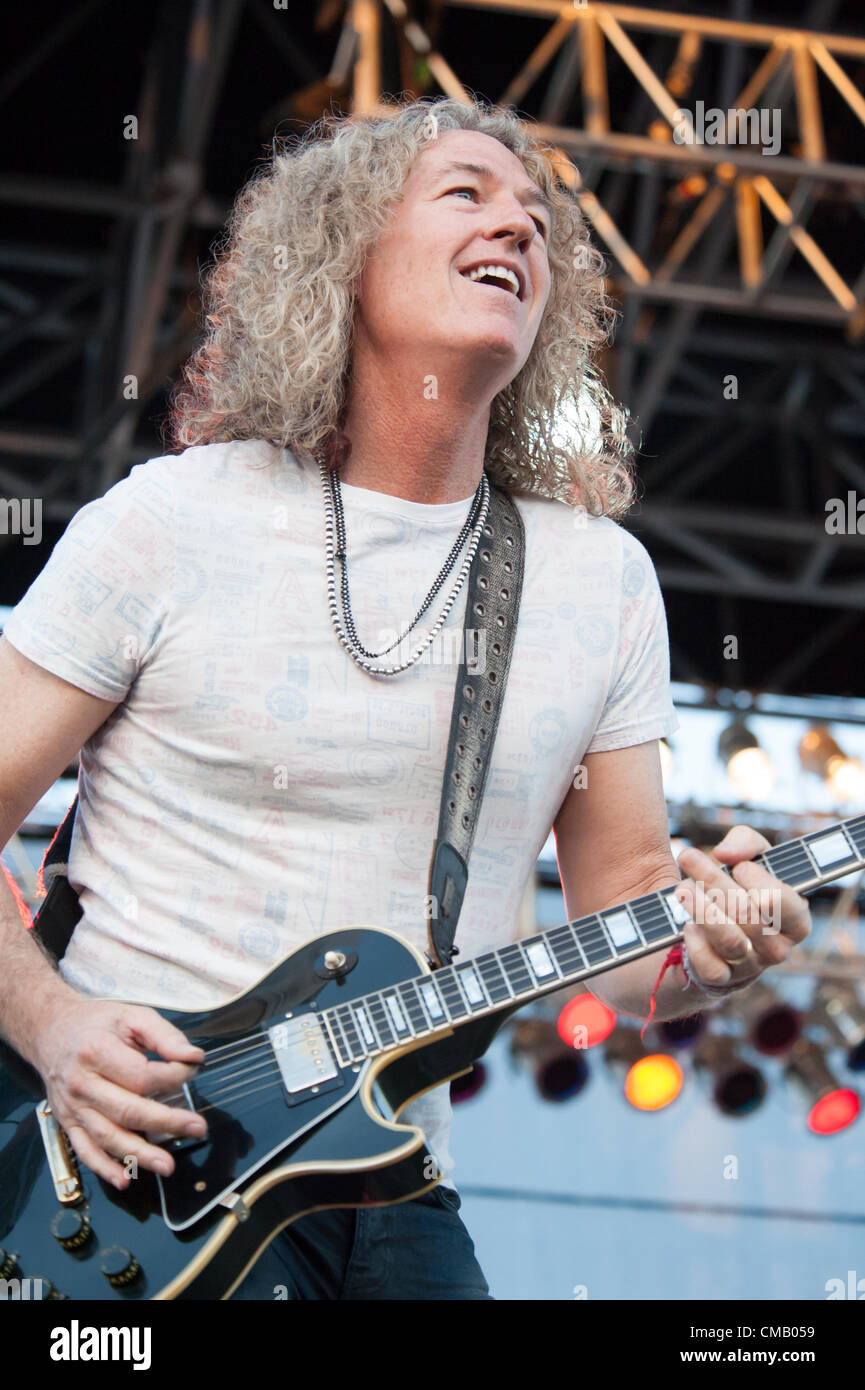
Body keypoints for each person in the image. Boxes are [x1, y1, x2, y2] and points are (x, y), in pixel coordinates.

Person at [0, 97, 811, 1300]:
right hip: (113, 1168)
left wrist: (715, 953)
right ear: (347, 255)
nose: (519, 227)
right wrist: (54, 1027)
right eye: (467, 194)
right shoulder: (173, 521)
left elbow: (632, 933)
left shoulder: (598, 580)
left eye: (539, 216)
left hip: (384, 1179)